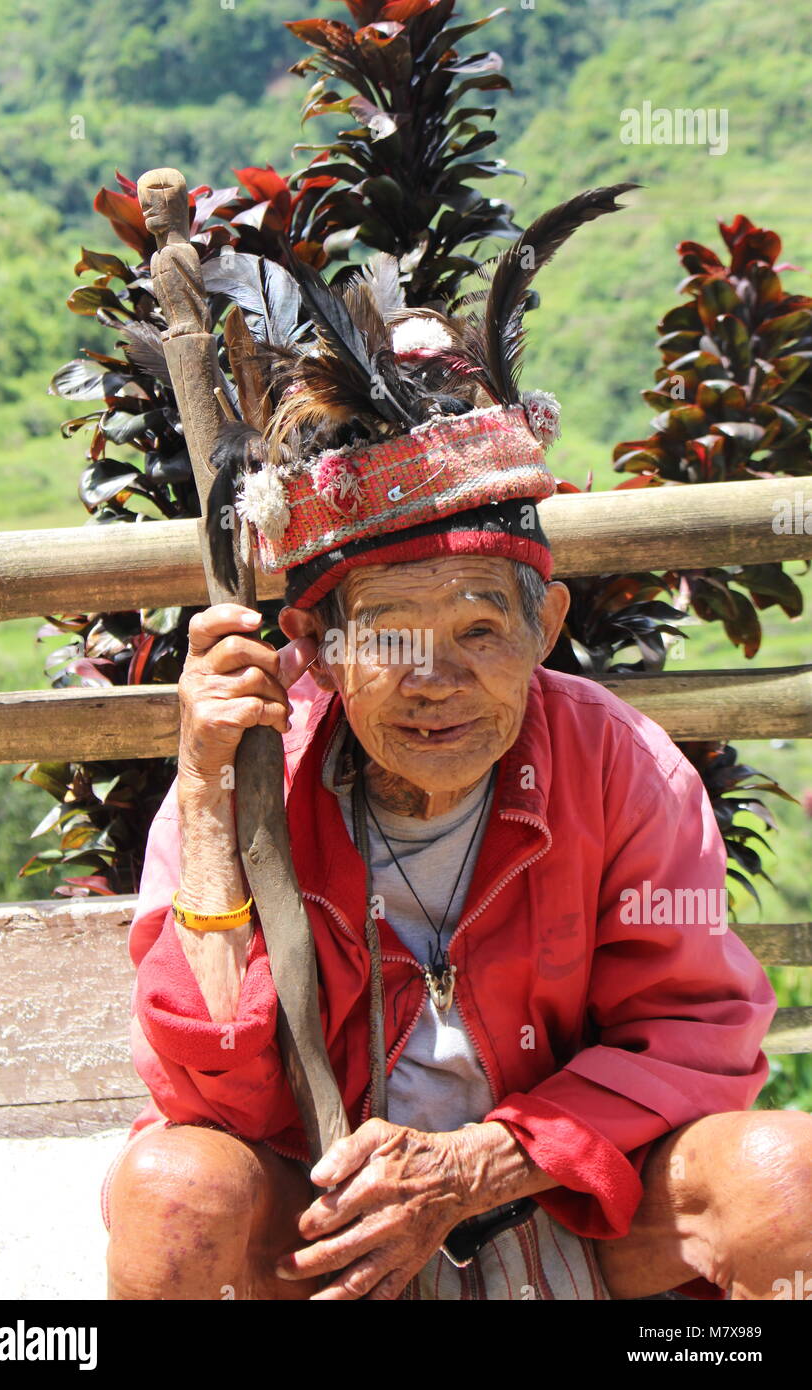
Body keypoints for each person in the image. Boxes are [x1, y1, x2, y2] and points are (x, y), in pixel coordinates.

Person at [102, 187, 811, 1300]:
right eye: (384, 635)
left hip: (566, 1203)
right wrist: (200, 799)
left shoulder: (619, 768)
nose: (436, 682)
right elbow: (214, 1098)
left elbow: (696, 1038)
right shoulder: (249, 773)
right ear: (315, 647)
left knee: (785, 1176)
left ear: (547, 630)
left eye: (481, 629)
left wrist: (475, 1165)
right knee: (172, 1190)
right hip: (331, 1238)